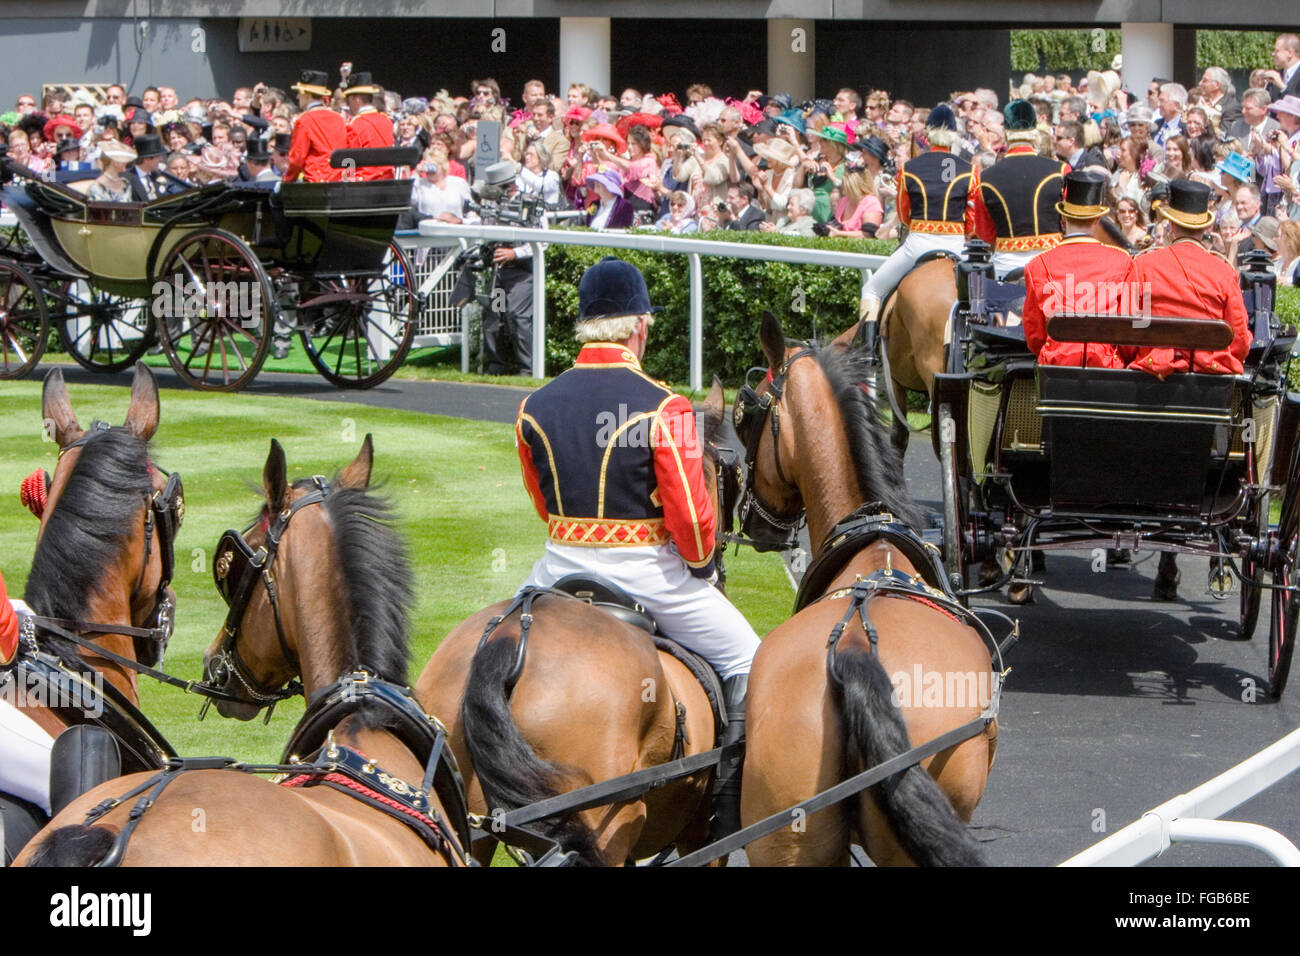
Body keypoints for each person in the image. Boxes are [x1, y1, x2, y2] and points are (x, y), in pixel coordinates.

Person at [515, 256, 759, 838]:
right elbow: (694, 523)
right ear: (639, 327)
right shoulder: (665, 406)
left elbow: (543, 504)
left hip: (555, 570)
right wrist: (701, 564)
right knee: (751, 658)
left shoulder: (534, 407)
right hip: (647, 573)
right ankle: (728, 803)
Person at [859, 105, 975, 337]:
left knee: (871, 290)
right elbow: (972, 221)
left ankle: (867, 359)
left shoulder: (909, 168)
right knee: (983, 297)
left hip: (918, 243)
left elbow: (903, 215)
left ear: (928, 133)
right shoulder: (970, 171)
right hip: (957, 245)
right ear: (954, 135)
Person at [1128, 179, 1251, 379]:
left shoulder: (1143, 265)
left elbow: (1127, 327)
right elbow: (1240, 339)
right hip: (1208, 376)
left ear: (1172, 226)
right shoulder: (1224, 271)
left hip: (1152, 373)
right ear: (1205, 228)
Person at [1023, 170, 1137, 370]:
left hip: (1056, 368)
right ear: (1097, 220)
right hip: (1107, 368)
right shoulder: (1123, 261)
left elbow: (1035, 337)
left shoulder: (1037, 265)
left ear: (1063, 219)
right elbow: (1132, 328)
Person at [284, 69, 348, 183]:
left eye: (300, 92)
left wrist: (286, 181)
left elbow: (296, 159)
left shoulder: (304, 120)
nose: (298, 96)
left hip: (316, 181)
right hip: (340, 180)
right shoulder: (338, 118)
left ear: (307, 95)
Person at [343, 72, 394, 180]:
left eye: (349, 100)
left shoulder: (356, 124)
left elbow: (350, 158)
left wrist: (347, 180)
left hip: (364, 183)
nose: (348, 104)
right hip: (388, 181)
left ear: (356, 99)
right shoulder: (387, 120)